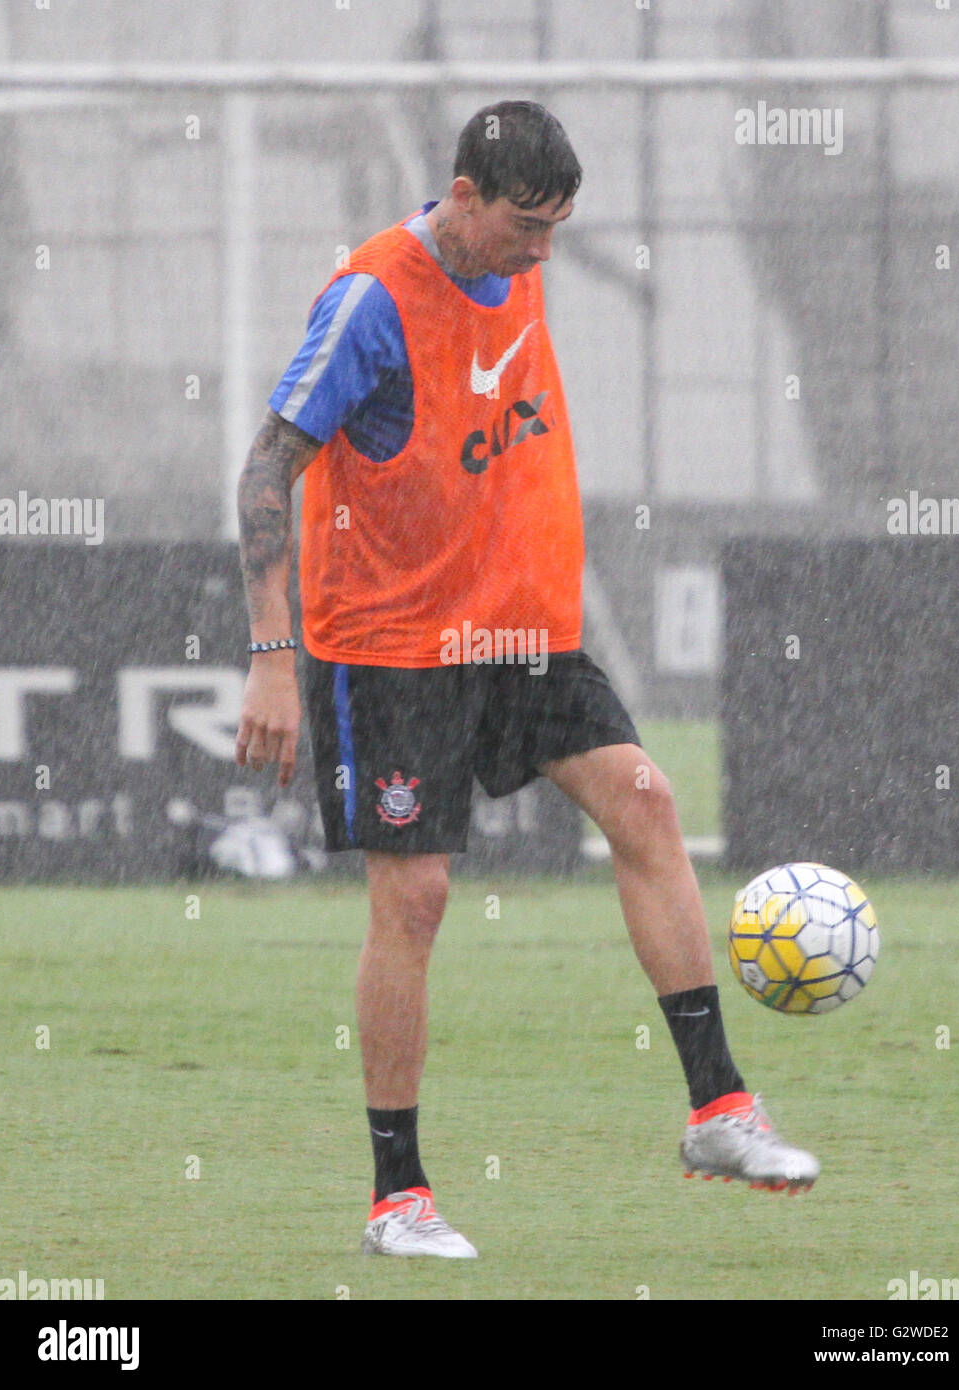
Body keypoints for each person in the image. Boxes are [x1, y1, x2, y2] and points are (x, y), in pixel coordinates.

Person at [234, 100, 818, 1260]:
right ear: (461, 198)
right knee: (417, 898)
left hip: (522, 631)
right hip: (392, 643)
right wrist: (271, 655)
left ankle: (718, 1111)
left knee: (647, 802)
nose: (541, 251)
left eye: (557, 227)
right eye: (523, 225)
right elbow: (266, 471)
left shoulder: (521, 259)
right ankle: (397, 1198)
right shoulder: (370, 298)